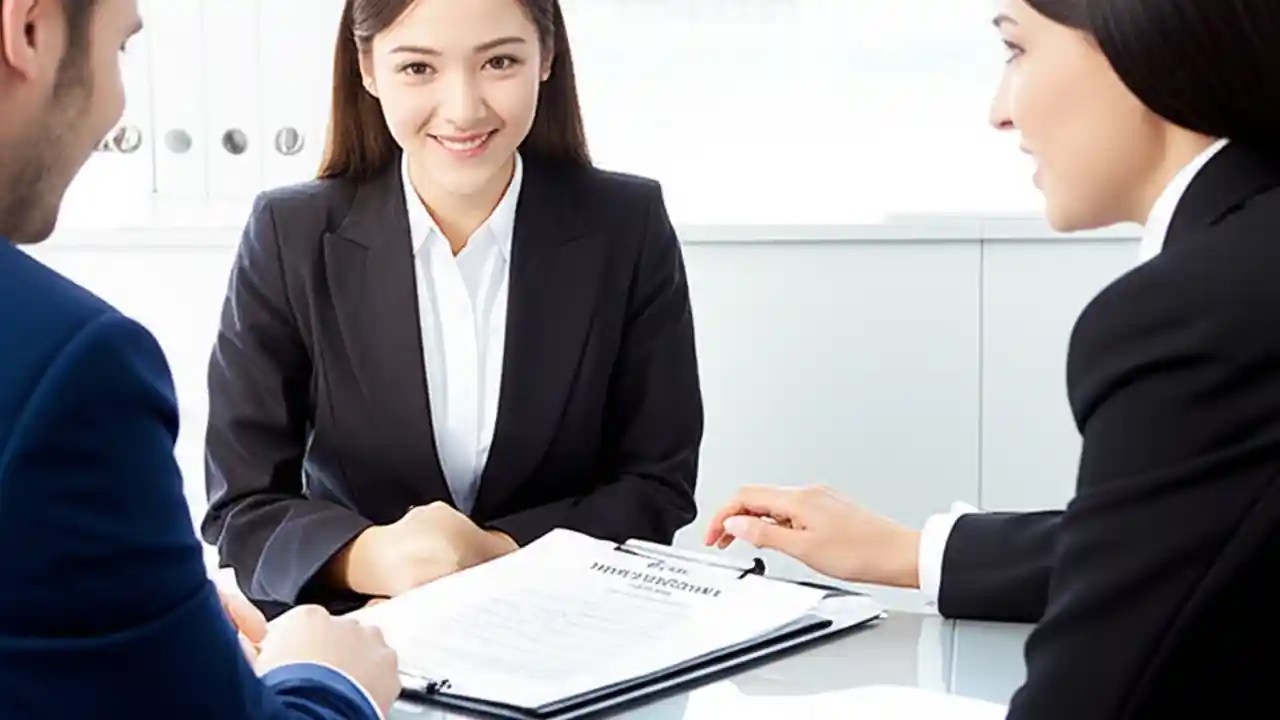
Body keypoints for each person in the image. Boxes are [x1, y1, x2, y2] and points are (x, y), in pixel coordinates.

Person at [706, 0, 1280, 717]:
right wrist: (915, 553)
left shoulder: (1189, 315)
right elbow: (1196, 543)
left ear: (1143, 37)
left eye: (1016, 52)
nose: (998, 113)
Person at [202, 0, 702, 617]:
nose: (464, 108)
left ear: (545, 58)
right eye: (418, 68)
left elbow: (658, 484)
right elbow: (243, 507)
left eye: (499, 61)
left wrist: (496, 555)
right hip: (362, 633)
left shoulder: (628, 226)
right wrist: (376, 557)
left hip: (572, 625)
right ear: (367, 68)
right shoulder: (290, 232)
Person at [0, 0, 400, 717]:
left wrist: (144, 610)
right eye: (120, 51)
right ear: (27, 28)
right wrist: (329, 679)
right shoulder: (71, 368)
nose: (117, 112)